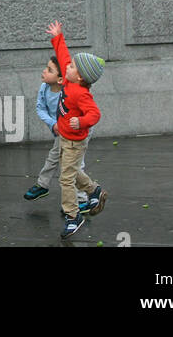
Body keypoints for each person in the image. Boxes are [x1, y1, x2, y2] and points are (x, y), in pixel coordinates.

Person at [46, 20, 107, 238]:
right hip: (65, 137)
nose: (67, 66)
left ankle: (73, 217)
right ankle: (93, 190)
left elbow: (95, 114)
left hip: (74, 141)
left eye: (72, 67)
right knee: (70, 172)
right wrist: (57, 36)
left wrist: (81, 122)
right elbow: (63, 56)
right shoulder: (71, 81)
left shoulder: (81, 93)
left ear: (79, 76)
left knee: (66, 178)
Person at [22, 54, 88, 209]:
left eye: (49, 70)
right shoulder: (44, 87)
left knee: (75, 164)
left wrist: (74, 124)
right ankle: (43, 185)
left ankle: (82, 199)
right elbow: (40, 108)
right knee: (54, 158)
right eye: (46, 67)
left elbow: (82, 112)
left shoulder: (69, 91)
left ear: (60, 79)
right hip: (62, 131)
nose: (44, 71)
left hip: (77, 132)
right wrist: (53, 124)